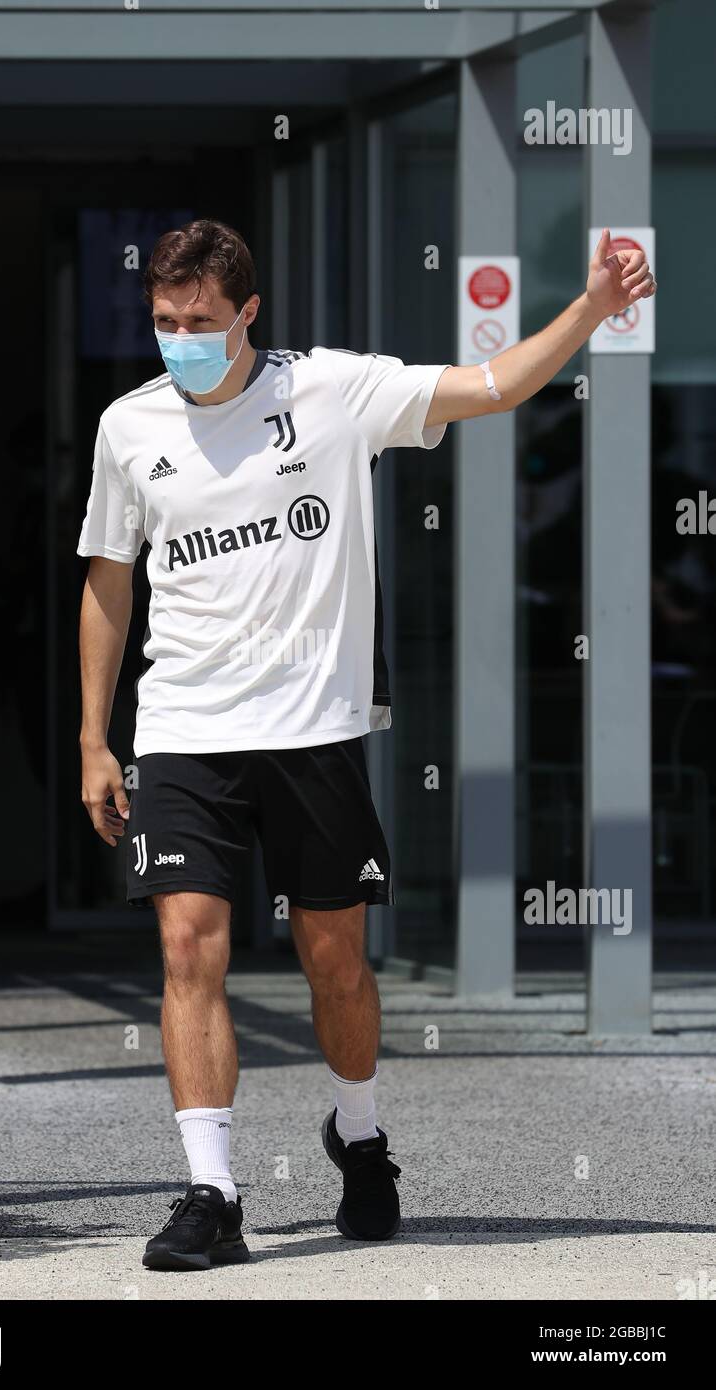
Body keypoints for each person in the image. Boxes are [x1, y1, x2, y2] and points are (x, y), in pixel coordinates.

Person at [76, 218, 655, 1272]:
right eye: (163, 321)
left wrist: (587, 310)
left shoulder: (333, 392)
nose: (179, 338)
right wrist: (92, 737)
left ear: (248, 312)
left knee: (333, 962)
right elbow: (109, 580)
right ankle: (212, 1191)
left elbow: (489, 386)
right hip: (183, 731)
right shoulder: (128, 427)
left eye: (199, 320)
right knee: (186, 948)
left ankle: (360, 1130)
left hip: (313, 734)